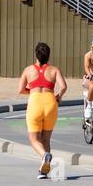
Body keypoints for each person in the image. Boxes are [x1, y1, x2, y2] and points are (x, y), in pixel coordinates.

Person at [18, 42, 67, 178]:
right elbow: (63, 86)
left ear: (36, 55)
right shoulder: (54, 70)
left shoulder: (28, 70)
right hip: (50, 102)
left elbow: (20, 89)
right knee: (46, 139)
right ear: (49, 56)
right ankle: (44, 170)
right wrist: (59, 96)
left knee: (34, 139)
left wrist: (33, 91)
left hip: (35, 103)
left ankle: (44, 155)